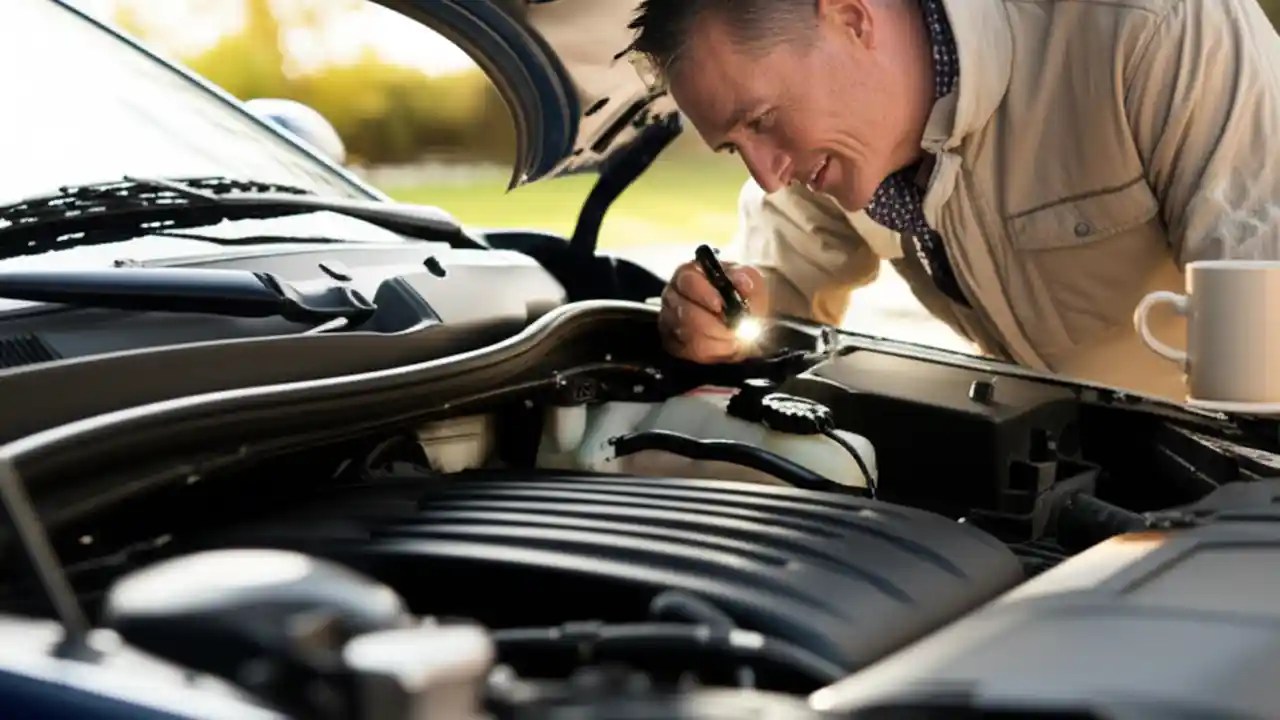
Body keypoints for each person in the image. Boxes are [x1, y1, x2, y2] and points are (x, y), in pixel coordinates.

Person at [624, 0, 1280, 402]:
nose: (767, 176)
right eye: (733, 148)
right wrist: (721, 314)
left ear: (851, 17)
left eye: (761, 120)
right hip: (1062, 482)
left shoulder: (1153, 26)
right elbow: (777, 292)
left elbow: (1266, 296)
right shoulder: (832, 152)